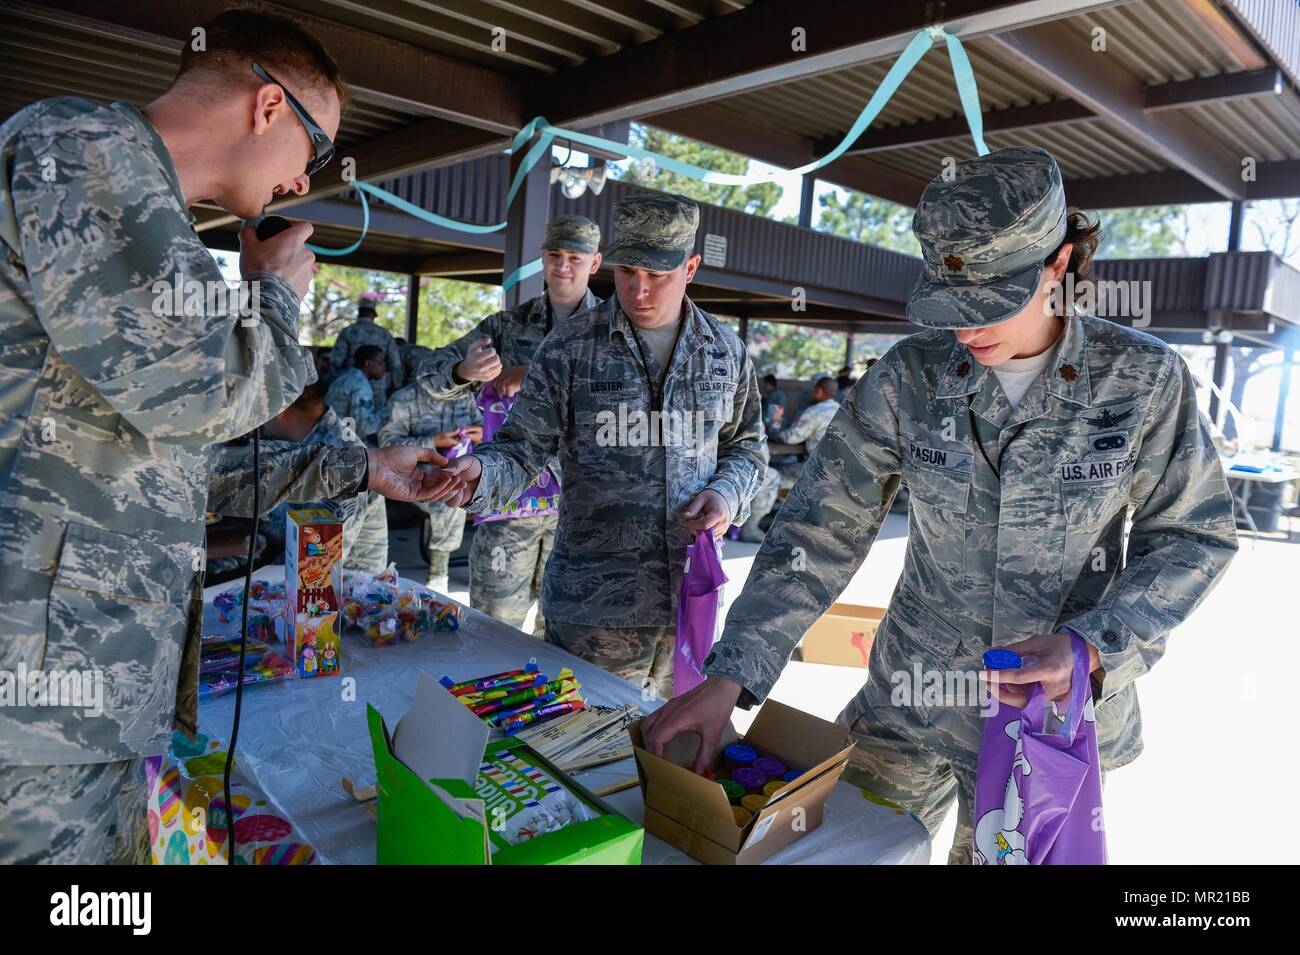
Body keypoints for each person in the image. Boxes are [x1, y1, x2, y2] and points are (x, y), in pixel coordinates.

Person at [640, 147, 1238, 863]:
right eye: (950, 305)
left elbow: (1192, 535)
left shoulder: (1141, 380)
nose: (964, 331)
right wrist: (729, 674)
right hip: (907, 711)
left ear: (1060, 262)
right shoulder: (908, 379)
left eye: (989, 303)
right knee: (830, 852)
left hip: (1044, 728)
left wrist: (1094, 645)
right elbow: (820, 528)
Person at [0, 8, 462, 864]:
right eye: (314, 152)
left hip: (80, 689)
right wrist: (276, 295)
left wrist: (365, 469)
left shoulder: (146, 207)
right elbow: (203, 396)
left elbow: (175, 470)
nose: (301, 184)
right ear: (269, 107)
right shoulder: (89, 145)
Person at [441, 195, 767, 696]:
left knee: (666, 753)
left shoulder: (725, 352)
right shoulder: (570, 347)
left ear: (691, 267)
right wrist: (479, 474)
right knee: (585, 759)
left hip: (688, 601)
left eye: (657, 274)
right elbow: (522, 448)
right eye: (627, 270)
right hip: (593, 606)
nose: (638, 289)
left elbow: (746, 448)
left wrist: (726, 494)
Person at [416, 215, 603, 634]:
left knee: (565, 633)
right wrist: (464, 371)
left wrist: (530, 371)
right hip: (509, 500)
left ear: (594, 264)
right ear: (542, 258)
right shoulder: (507, 326)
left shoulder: (614, 329)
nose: (563, 266)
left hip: (582, 509)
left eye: (576, 257)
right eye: (555, 255)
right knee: (492, 631)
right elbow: (429, 375)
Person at [258, 381, 391, 572]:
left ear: (279, 411)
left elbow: (313, 563)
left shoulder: (347, 463)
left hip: (342, 585)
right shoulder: (293, 436)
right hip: (284, 551)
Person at [378, 383, 483, 592]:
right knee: (450, 493)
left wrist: (480, 434)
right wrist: (434, 441)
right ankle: (439, 572)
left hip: (461, 466)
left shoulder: (465, 396)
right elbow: (387, 442)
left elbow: (483, 427)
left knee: (487, 487)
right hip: (415, 473)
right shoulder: (404, 398)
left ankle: (487, 569)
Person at [330, 298, 403, 404]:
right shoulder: (384, 334)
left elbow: (336, 361)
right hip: (377, 388)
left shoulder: (347, 332)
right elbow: (395, 363)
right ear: (374, 315)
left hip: (350, 385)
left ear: (359, 312)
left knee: (348, 419)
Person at [325, 343, 387, 443]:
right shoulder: (360, 386)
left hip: (329, 436)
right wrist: (388, 411)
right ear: (368, 363)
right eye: (381, 362)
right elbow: (364, 428)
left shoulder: (344, 378)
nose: (384, 367)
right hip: (340, 442)